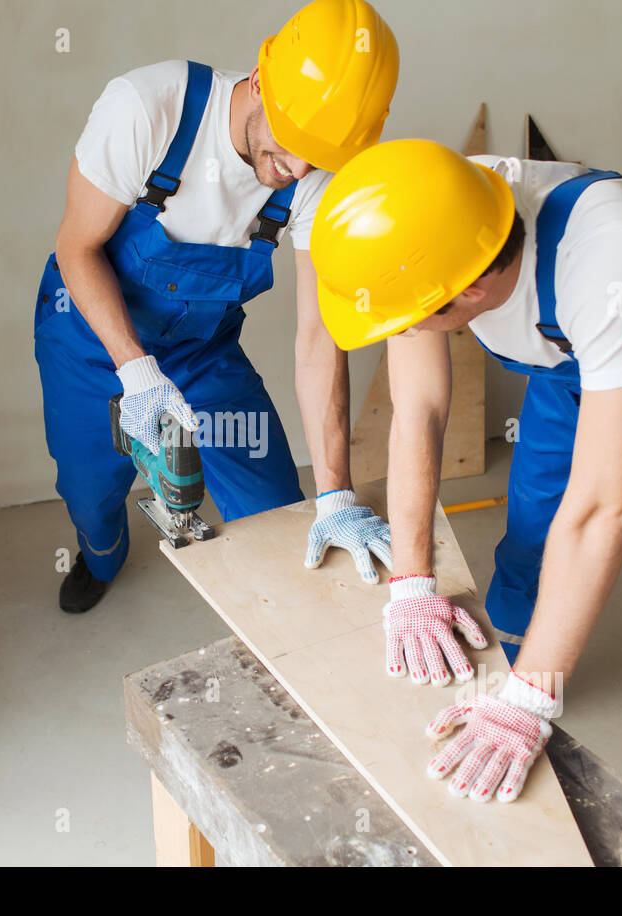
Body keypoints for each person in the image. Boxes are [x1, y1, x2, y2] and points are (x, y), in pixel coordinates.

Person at [308, 139, 622, 866]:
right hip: (572, 369)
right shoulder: (436, 217)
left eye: (406, 319)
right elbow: (418, 413)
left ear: (468, 292)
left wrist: (531, 703)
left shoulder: (616, 262)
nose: (398, 333)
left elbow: (604, 511)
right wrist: (412, 581)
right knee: (532, 536)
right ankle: (511, 662)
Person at [34, 0, 401, 613]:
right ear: (260, 80)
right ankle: (102, 555)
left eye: (321, 155)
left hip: (203, 355)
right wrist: (135, 369)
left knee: (278, 504)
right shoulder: (149, 109)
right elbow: (77, 247)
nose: (299, 169)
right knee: (89, 490)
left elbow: (319, 336)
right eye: (293, 142)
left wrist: (336, 494)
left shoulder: (316, 177)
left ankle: (292, 625)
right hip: (88, 343)